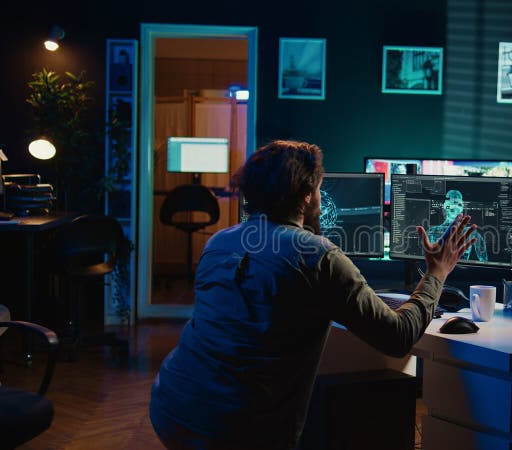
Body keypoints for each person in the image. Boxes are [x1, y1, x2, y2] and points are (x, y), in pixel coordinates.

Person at [149, 140, 478, 450]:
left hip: (171, 406)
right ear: (307, 196)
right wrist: (437, 273)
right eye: (319, 188)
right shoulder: (319, 256)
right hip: (239, 431)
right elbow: (398, 337)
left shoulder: (219, 242)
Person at [427, 189, 488, 263]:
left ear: (462, 208)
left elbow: (484, 261)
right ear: (446, 206)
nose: (455, 207)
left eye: (459, 204)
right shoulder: (432, 231)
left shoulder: (471, 233)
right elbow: (424, 260)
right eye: (452, 203)